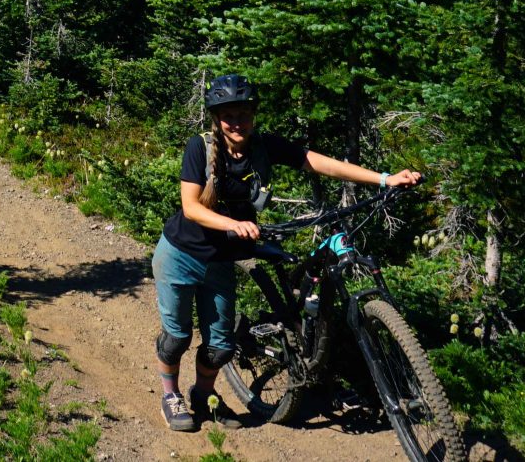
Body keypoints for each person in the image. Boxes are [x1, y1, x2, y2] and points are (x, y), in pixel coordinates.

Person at [152, 73, 422, 433]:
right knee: (178, 337)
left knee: (220, 346)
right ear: (216, 118)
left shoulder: (263, 147)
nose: (237, 122)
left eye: (244, 114)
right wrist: (230, 224)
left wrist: (385, 179)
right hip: (181, 254)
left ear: (253, 114)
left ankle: (204, 396)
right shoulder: (199, 147)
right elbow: (190, 207)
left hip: (220, 260)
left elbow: (317, 161)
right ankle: (170, 395)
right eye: (229, 115)